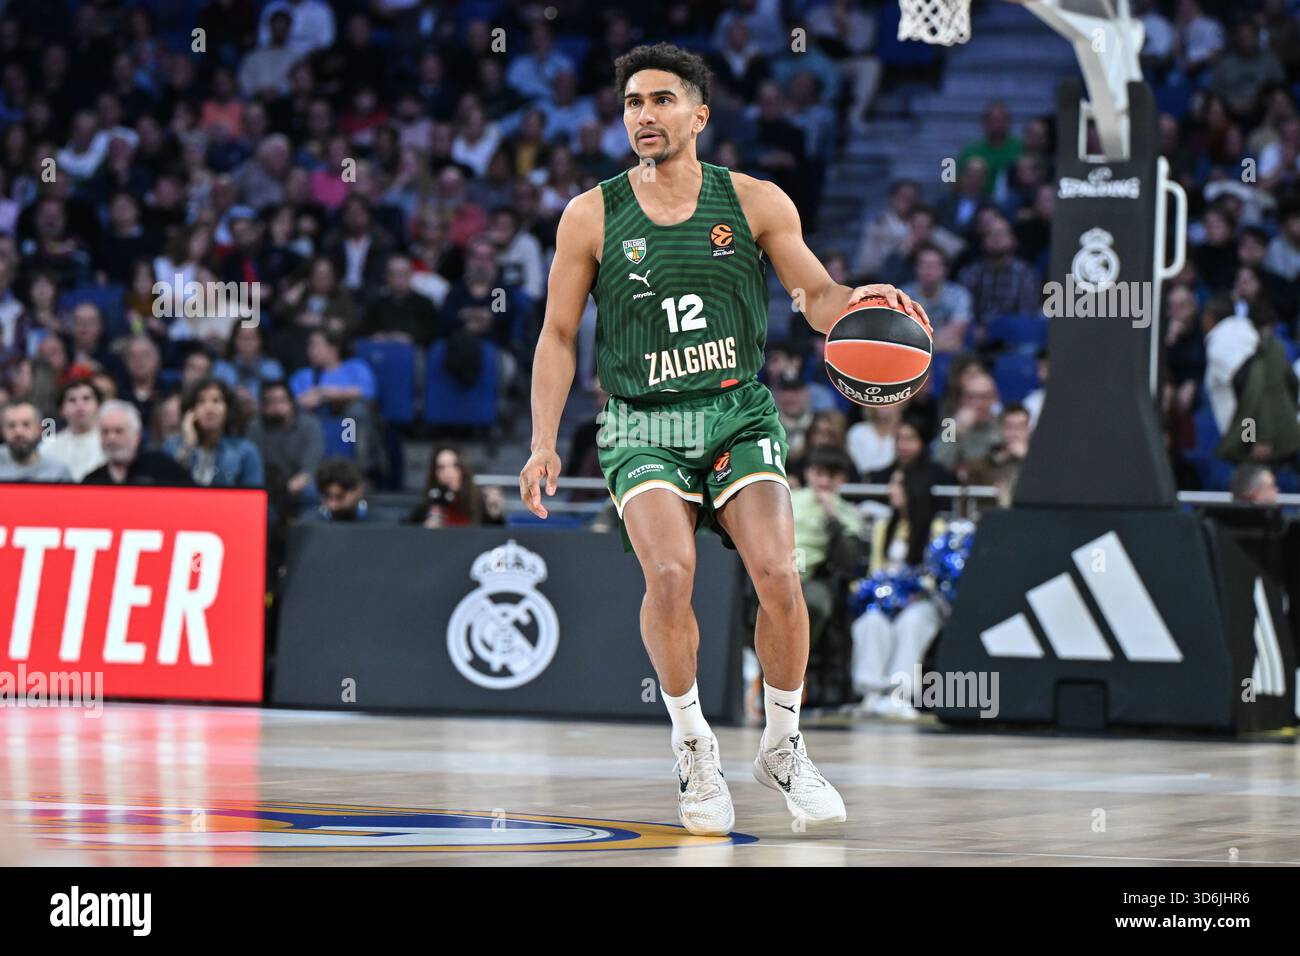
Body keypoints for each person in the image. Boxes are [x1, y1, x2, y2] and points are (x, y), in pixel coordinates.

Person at [518, 43, 932, 835]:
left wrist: (858, 307)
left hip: (736, 412)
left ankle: (783, 744)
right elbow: (559, 335)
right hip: (644, 419)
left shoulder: (753, 200)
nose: (645, 114)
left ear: (699, 115)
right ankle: (693, 745)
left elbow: (813, 293)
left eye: (662, 100)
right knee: (671, 574)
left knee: (779, 572)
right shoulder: (591, 214)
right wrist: (543, 439)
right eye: (634, 102)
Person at [162, 377, 265, 487]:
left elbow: (254, 500)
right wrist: (187, 447)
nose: (209, 408)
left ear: (228, 409)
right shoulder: (172, 446)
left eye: (216, 401)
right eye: (201, 401)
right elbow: (165, 493)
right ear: (190, 411)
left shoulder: (246, 452)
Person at [82, 400, 192, 486]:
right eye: (105, 432)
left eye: (119, 431)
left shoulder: (163, 468)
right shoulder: (92, 480)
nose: (111, 438)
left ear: (137, 436)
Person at [410, 445, 505, 528]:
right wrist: (425, 530)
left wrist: (495, 517)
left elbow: (494, 540)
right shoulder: (429, 504)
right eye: (441, 467)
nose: (448, 472)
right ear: (435, 474)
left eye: (454, 466)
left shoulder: (480, 501)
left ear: (464, 469)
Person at [40, 378, 106, 480]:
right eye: (72, 400)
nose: (80, 405)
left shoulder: (110, 441)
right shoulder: (49, 446)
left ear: (98, 405)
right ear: (61, 410)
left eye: (86, 398)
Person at [0, 400, 73, 481]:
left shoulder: (58, 472)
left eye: (26, 424)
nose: (19, 432)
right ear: (2, 431)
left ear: (39, 429)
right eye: (11, 425)